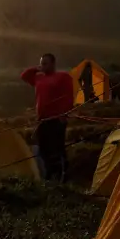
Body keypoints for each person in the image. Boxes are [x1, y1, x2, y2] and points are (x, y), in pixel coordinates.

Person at [20, 53, 74, 182]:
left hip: (56, 118)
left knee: (57, 147)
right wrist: (36, 68)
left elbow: (68, 96)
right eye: (41, 63)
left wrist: (64, 113)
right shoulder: (38, 78)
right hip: (42, 119)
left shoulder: (63, 77)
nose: (42, 66)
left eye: (45, 63)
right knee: (43, 147)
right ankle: (49, 174)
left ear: (53, 64)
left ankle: (62, 175)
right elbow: (24, 76)